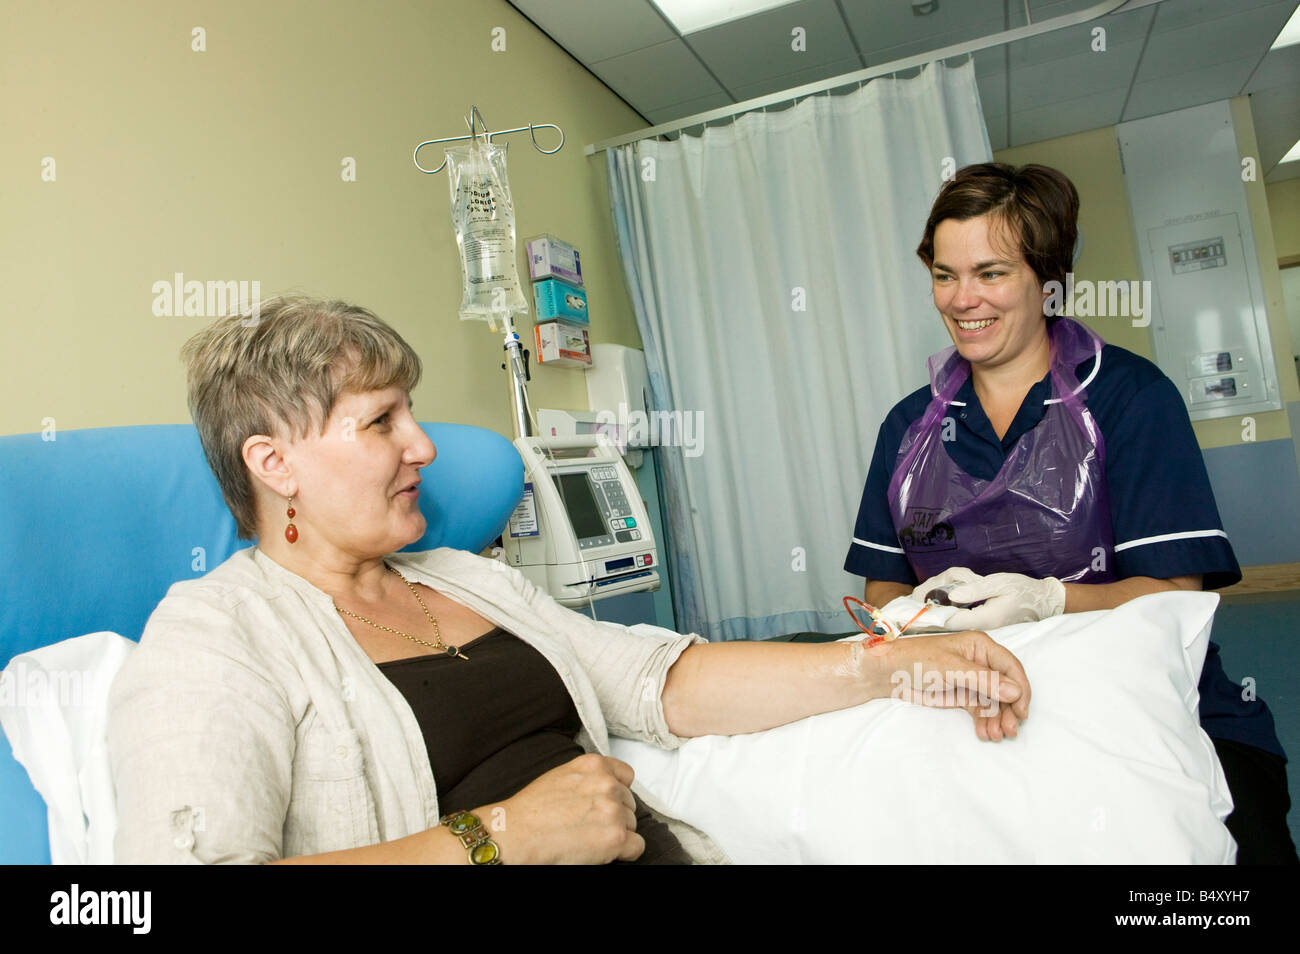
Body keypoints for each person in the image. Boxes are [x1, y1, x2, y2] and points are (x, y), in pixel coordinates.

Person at [107, 295, 1032, 865]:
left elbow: (656, 680)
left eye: (411, 413)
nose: (423, 445)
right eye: (380, 422)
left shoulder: (466, 579)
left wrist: (887, 662)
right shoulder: (217, 632)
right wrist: (498, 839)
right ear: (275, 464)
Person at [844, 162, 1298, 865]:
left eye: (991, 273)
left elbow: (1175, 596)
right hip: (968, 703)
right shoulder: (909, 427)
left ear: (1048, 281)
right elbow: (883, 586)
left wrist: (1045, 601)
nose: (963, 299)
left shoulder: (1130, 399)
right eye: (944, 274)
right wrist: (929, 619)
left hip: (1151, 705)